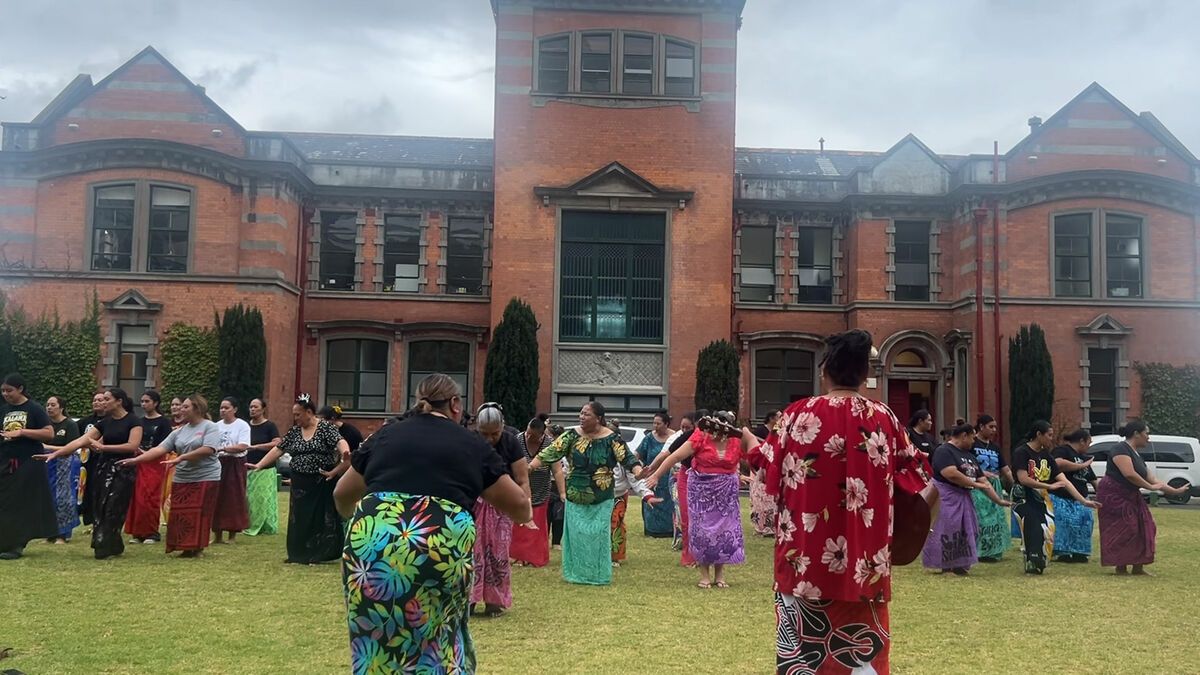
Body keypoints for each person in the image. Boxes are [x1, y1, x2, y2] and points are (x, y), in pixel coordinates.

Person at [744, 329, 935, 673]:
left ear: (825, 371)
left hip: (803, 560)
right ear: (865, 374)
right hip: (867, 563)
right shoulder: (885, 419)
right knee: (862, 659)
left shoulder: (796, 415)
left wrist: (750, 442)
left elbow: (763, 463)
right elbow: (917, 472)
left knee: (802, 658)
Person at [333, 373, 530, 674]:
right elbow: (518, 504)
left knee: (375, 637)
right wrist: (525, 516)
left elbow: (342, 495)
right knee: (436, 637)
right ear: (454, 404)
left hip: (371, 541)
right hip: (437, 542)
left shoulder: (386, 435)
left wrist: (356, 519)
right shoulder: (470, 443)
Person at [529, 401, 643, 586]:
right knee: (577, 536)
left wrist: (638, 471)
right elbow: (550, 453)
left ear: (598, 418)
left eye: (586, 414)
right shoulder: (571, 436)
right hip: (576, 494)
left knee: (598, 535)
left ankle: (598, 574)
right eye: (580, 413)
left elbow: (627, 458)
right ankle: (576, 574)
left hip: (602, 495)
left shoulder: (612, 438)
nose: (581, 417)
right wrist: (530, 467)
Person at [37, 388, 142, 559]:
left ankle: (107, 545)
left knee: (114, 507)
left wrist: (104, 447)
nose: (103, 402)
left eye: (107, 399)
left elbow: (132, 446)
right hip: (103, 468)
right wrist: (56, 453)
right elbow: (81, 441)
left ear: (119, 401)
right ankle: (107, 544)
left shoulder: (133, 421)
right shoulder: (105, 423)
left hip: (124, 468)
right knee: (99, 506)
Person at [647, 411, 747, 588]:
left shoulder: (735, 440)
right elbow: (675, 456)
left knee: (724, 531)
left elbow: (749, 460)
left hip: (726, 493)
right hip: (702, 491)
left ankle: (720, 574)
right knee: (702, 531)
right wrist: (656, 475)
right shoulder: (700, 436)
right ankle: (704, 575)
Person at [118, 395, 222, 557]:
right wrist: (136, 460)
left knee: (199, 513)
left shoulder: (210, 427)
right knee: (180, 514)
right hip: (182, 476)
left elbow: (208, 449)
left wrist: (182, 457)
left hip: (205, 476)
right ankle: (184, 546)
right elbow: (160, 449)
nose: (181, 409)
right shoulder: (180, 431)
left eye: (185, 407)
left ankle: (197, 548)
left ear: (197, 408)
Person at [253, 394, 349, 564]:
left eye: (298, 414)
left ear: (309, 412)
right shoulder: (295, 431)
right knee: (299, 516)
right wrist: (260, 464)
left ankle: (319, 553)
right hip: (299, 481)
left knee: (319, 517)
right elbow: (278, 449)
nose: (295, 418)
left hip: (321, 481)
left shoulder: (326, 428)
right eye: (294, 414)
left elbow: (340, 442)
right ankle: (298, 553)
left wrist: (345, 454)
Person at [1097, 420, 1188, 575]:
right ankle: (1121, 567)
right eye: (1147, 433)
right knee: (1127, 528)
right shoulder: (1120, 449)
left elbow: (1153, 479)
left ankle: (1138, 567)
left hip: (1131, 494)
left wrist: (1175, 491)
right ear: (1136, 434)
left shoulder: (1136, 454)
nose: (1148, 437)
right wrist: (1150, 487)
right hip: (1114, 495)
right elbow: (1129, 474)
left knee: (1145, 526)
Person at [1011, 420, 1100, 575]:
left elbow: (1064, 480)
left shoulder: (1045, 455)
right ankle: (1032, 558)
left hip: (1041, 498)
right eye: (1049, 435)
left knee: (1047, 530)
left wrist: (1084, 501)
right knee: (1034, 527)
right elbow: (1023, 478)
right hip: (1024, 496)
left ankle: (1038, 560)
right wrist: (1049, 486)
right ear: (1039, 434)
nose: (1051, 438)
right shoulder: (1022, 452)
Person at [922, 423, 1011, 575]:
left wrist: (999, 500)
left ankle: (960, 564)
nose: (973, 442)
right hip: (946, 496)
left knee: (969, 530)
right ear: (964, 436)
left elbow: (983, 481)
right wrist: (974, 484)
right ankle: (945, 563)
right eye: (972, 438)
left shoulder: (970, 456)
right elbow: (950, 473)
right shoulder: (944, 451)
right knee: (948, 529)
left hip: (964, 496)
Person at [470, 402, 530, 616]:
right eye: (484, 433)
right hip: (473, 505)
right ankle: (469, 599)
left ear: (502, 427)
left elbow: (522, 479)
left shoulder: (511, 442)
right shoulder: (470, 440)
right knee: (472, 552)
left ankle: (495, 601)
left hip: (501, 506)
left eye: (494, 434)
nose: (489, 439)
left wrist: (525, 508)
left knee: (498, 552)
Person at [0, 374, 57, 559]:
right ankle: (5, 541)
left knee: (20, 503)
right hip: (6, 461)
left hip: (27, 461)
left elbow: (49, 434)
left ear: (21, 389)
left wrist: (22, 432)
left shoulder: (34, 409)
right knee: (5, 502)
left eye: (9, 391)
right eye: (3, 391)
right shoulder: (4, 410)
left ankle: (16, 544)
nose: (5, 394)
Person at [647, 410, 704, 566]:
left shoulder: (716, 438)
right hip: (686, 478)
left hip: (706, 482)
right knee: (686, 517)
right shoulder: (688, 437)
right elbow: (670, 455)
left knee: (703, 520)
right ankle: (689, 555)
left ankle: (704, 555)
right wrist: (653, 472)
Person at [510, 415, 559, 568]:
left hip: (541, 488)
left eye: (533, 434)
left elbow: (557, 470)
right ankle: (518, 556)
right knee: (519, 524)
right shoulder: (517, 440)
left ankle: (536, 557)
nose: (529, 436)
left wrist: (562, 493)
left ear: (542, 435)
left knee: (538, 524)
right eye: (527, 432)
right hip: (519, 489)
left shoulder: (549, 444)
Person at [125, 390, 173, 544]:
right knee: (136, 497)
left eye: (147, 401)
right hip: (138, 461)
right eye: (143, 401)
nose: (144, 404)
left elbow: (166, 445)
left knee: (150, 496)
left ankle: (151, 532)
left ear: (156, 403)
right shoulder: (139, 421)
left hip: (155, 462)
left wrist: (148, 452)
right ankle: (137, 532)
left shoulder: (164, 422)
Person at [1051, 428, 1100, 563]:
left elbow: (1092, 479)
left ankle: (1080, 552)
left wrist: (1101, 494)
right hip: (1062, 496)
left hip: (1082, 497)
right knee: (1065, 524)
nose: (1089, 446)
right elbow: (1057, 463)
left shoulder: (1084, 457)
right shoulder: (1063, 450)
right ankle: (1063, 553)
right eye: (1089, 443)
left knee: (1085, 523)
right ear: (1082, 441)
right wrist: (1081, 465)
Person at [971, 414, 1012, 561]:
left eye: (995, 427)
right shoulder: (972, 444)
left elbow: (1005, 468)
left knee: (995, 518)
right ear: (981, 427)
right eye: (990, 427)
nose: (994, 430)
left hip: (995, 485)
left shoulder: (995, 447)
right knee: (981, 518)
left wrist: (1015, 483)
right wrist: (982, 474)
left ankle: (994, 551)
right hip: (978, 485)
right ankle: (980, 551)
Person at [211, 397, 251, 544]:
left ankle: (232, 535)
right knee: (217, 497)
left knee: (234, 498)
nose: (223, 410)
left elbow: (243, 446)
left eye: (226, 408)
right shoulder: (216, 426)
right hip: (218, 463)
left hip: (235, 463)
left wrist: (223, 448)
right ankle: (217, 534)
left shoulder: (242, 425)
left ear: (235, 409)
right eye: (221, 408)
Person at [42, 395, 81, 544]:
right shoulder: (46, 426)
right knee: (48, 498)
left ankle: (62, 534)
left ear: (61, 407)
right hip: (46, 466)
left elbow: (72, 447)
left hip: (64, 465)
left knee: (63, 498)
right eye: (47, 405)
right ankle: (50, 532)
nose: (49, 408)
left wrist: (49, 448)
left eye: (53, 405)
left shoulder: (70, 425)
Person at [611, 461, 660, 567]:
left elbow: (636, 479)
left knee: (616, 524)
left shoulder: (624, 456)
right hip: (594, 496)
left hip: (618, 495)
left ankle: (614, 557)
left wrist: (647, 495)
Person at [635, 411, 676, 538]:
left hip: (668, 477)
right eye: (654, 423)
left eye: (658, 423)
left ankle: (669, 530)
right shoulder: (649, 438)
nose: (655, 426)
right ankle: (652, 530)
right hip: (651, 477)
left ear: (666, 424)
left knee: (669, 504)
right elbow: (638, 454)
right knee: (651, 502)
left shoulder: (674, 437)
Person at [244, 398, 281, 536]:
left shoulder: (270, 426)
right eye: (251, 407)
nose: (252, 409)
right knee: (248, 498)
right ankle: (248, 523)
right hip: (247, 467)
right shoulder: (246, 426)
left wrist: (256, 447)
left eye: (255, 407)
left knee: (262, 498)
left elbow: (277, 443)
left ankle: (263, 525)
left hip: (265, 468)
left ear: (263, 409)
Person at [749, 409, 782, 537]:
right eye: (778, 416)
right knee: (763, 498)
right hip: (768, 465)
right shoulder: (768, 431)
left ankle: (770, 526)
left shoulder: (781, 429)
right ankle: (764, 527)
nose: (780, 418)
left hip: (774, 464)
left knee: (770, 499)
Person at [75, 392, 106, 527]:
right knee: (86, 488)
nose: (96, 402)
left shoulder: (111, 421)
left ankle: (101, 518)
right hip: (87, 461)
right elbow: (77, 439)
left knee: (101, 488)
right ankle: (89, 518)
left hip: (104, 459)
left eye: (100, 400)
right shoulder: (85, 422)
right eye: (94, 400)